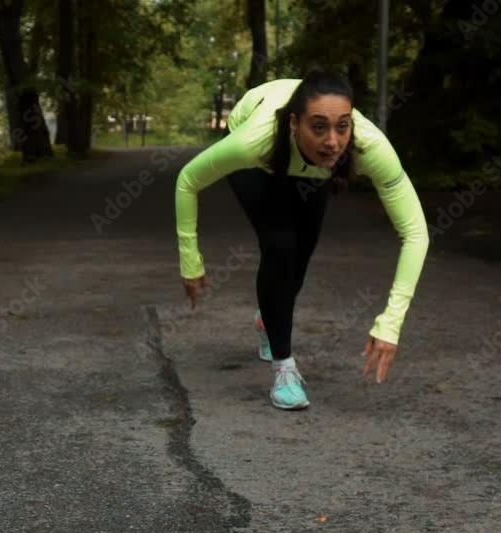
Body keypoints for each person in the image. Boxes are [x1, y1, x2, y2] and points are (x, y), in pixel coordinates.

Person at [174, 69, 429, 410]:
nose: (333, 141)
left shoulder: (366, 146)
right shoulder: (253, 142)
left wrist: (390, 323)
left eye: (342, 126)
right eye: (319, 126)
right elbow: (188, 180)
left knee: (302, 254)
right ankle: (284, 367)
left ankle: (268, 317)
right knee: (280, 245)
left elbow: (415, 232)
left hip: (308, 166)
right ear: (296, 124)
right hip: (262, 158)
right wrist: (190, 259)